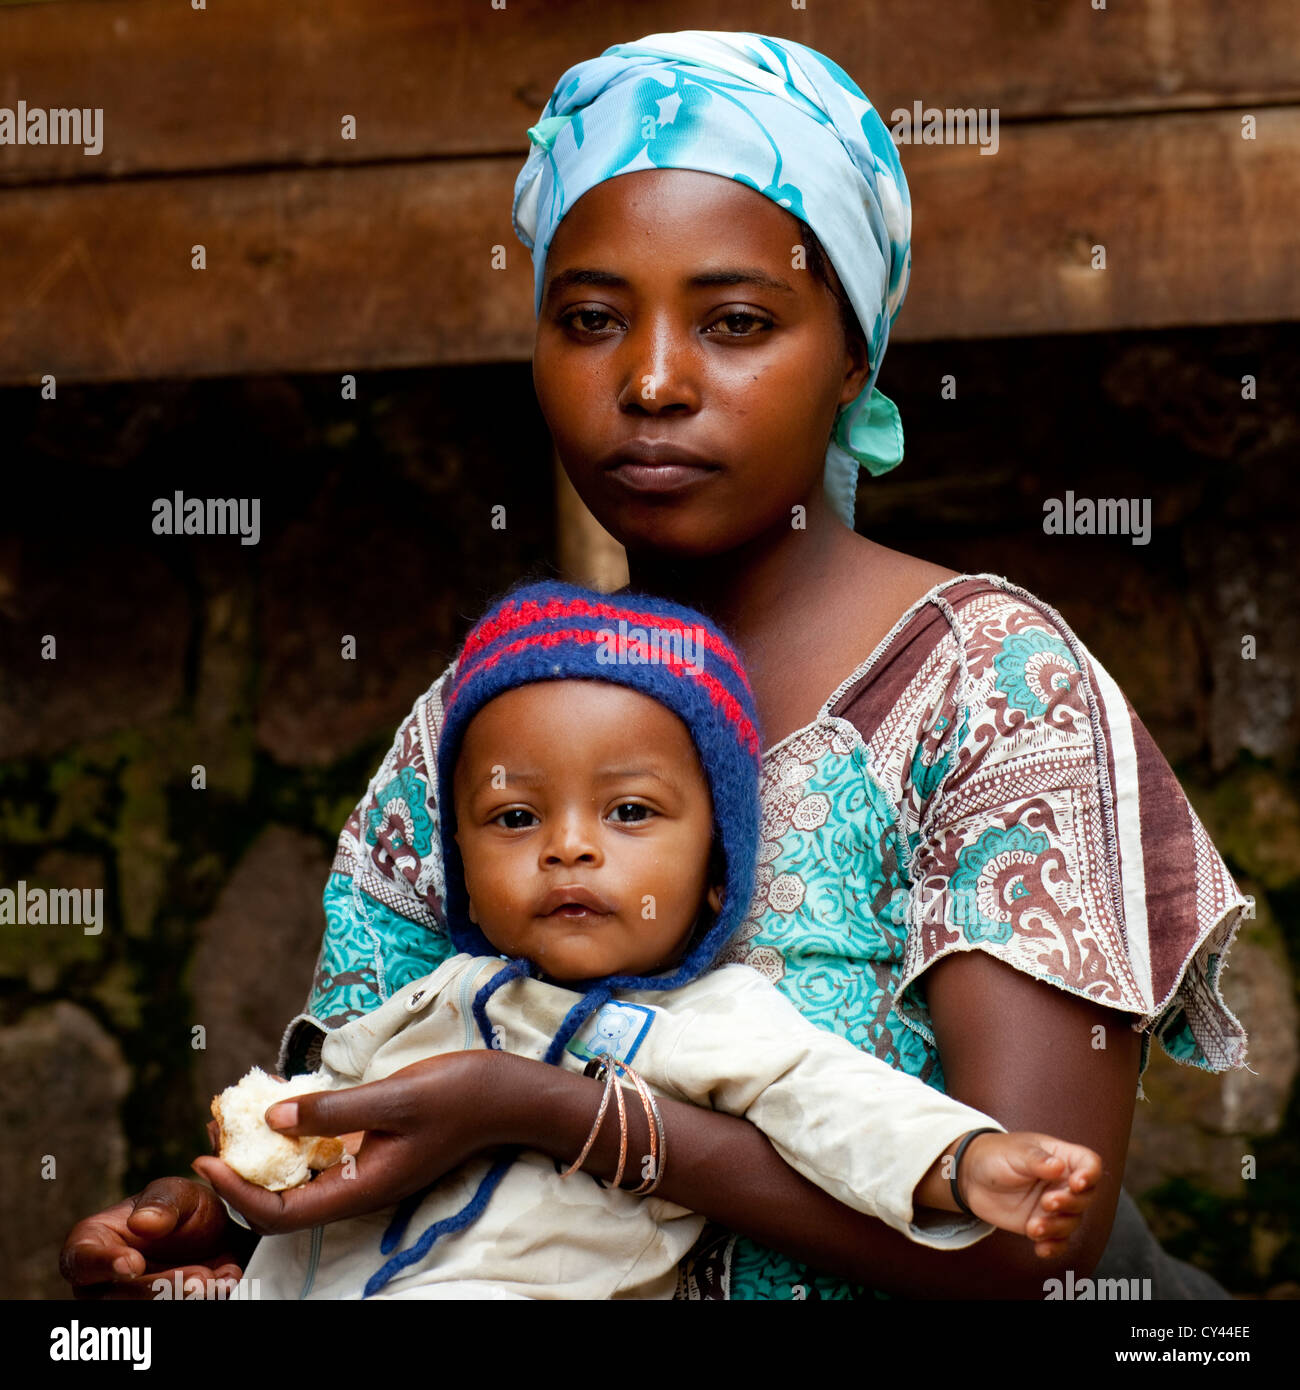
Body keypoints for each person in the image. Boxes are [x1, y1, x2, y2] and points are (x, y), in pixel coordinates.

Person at [62, 30, 1248, 1302]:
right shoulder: (470, 719)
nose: (652, 380)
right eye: (588, 320)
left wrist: (560, 1110)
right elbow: (377, 1122)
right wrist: (235, 1231)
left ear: (853, 357)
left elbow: (1027, 1253)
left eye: (736, 321)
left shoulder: (992, 690)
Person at [219, 580, 1103, 1299]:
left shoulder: (705, 1023)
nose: (569, 846)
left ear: (719, 872)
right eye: (516, 816)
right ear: (462, 878)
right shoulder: (438, 994)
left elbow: (842, 1108)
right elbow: (325, 1111)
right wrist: (217, 1204)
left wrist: (966, 1165)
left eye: (630, 811)